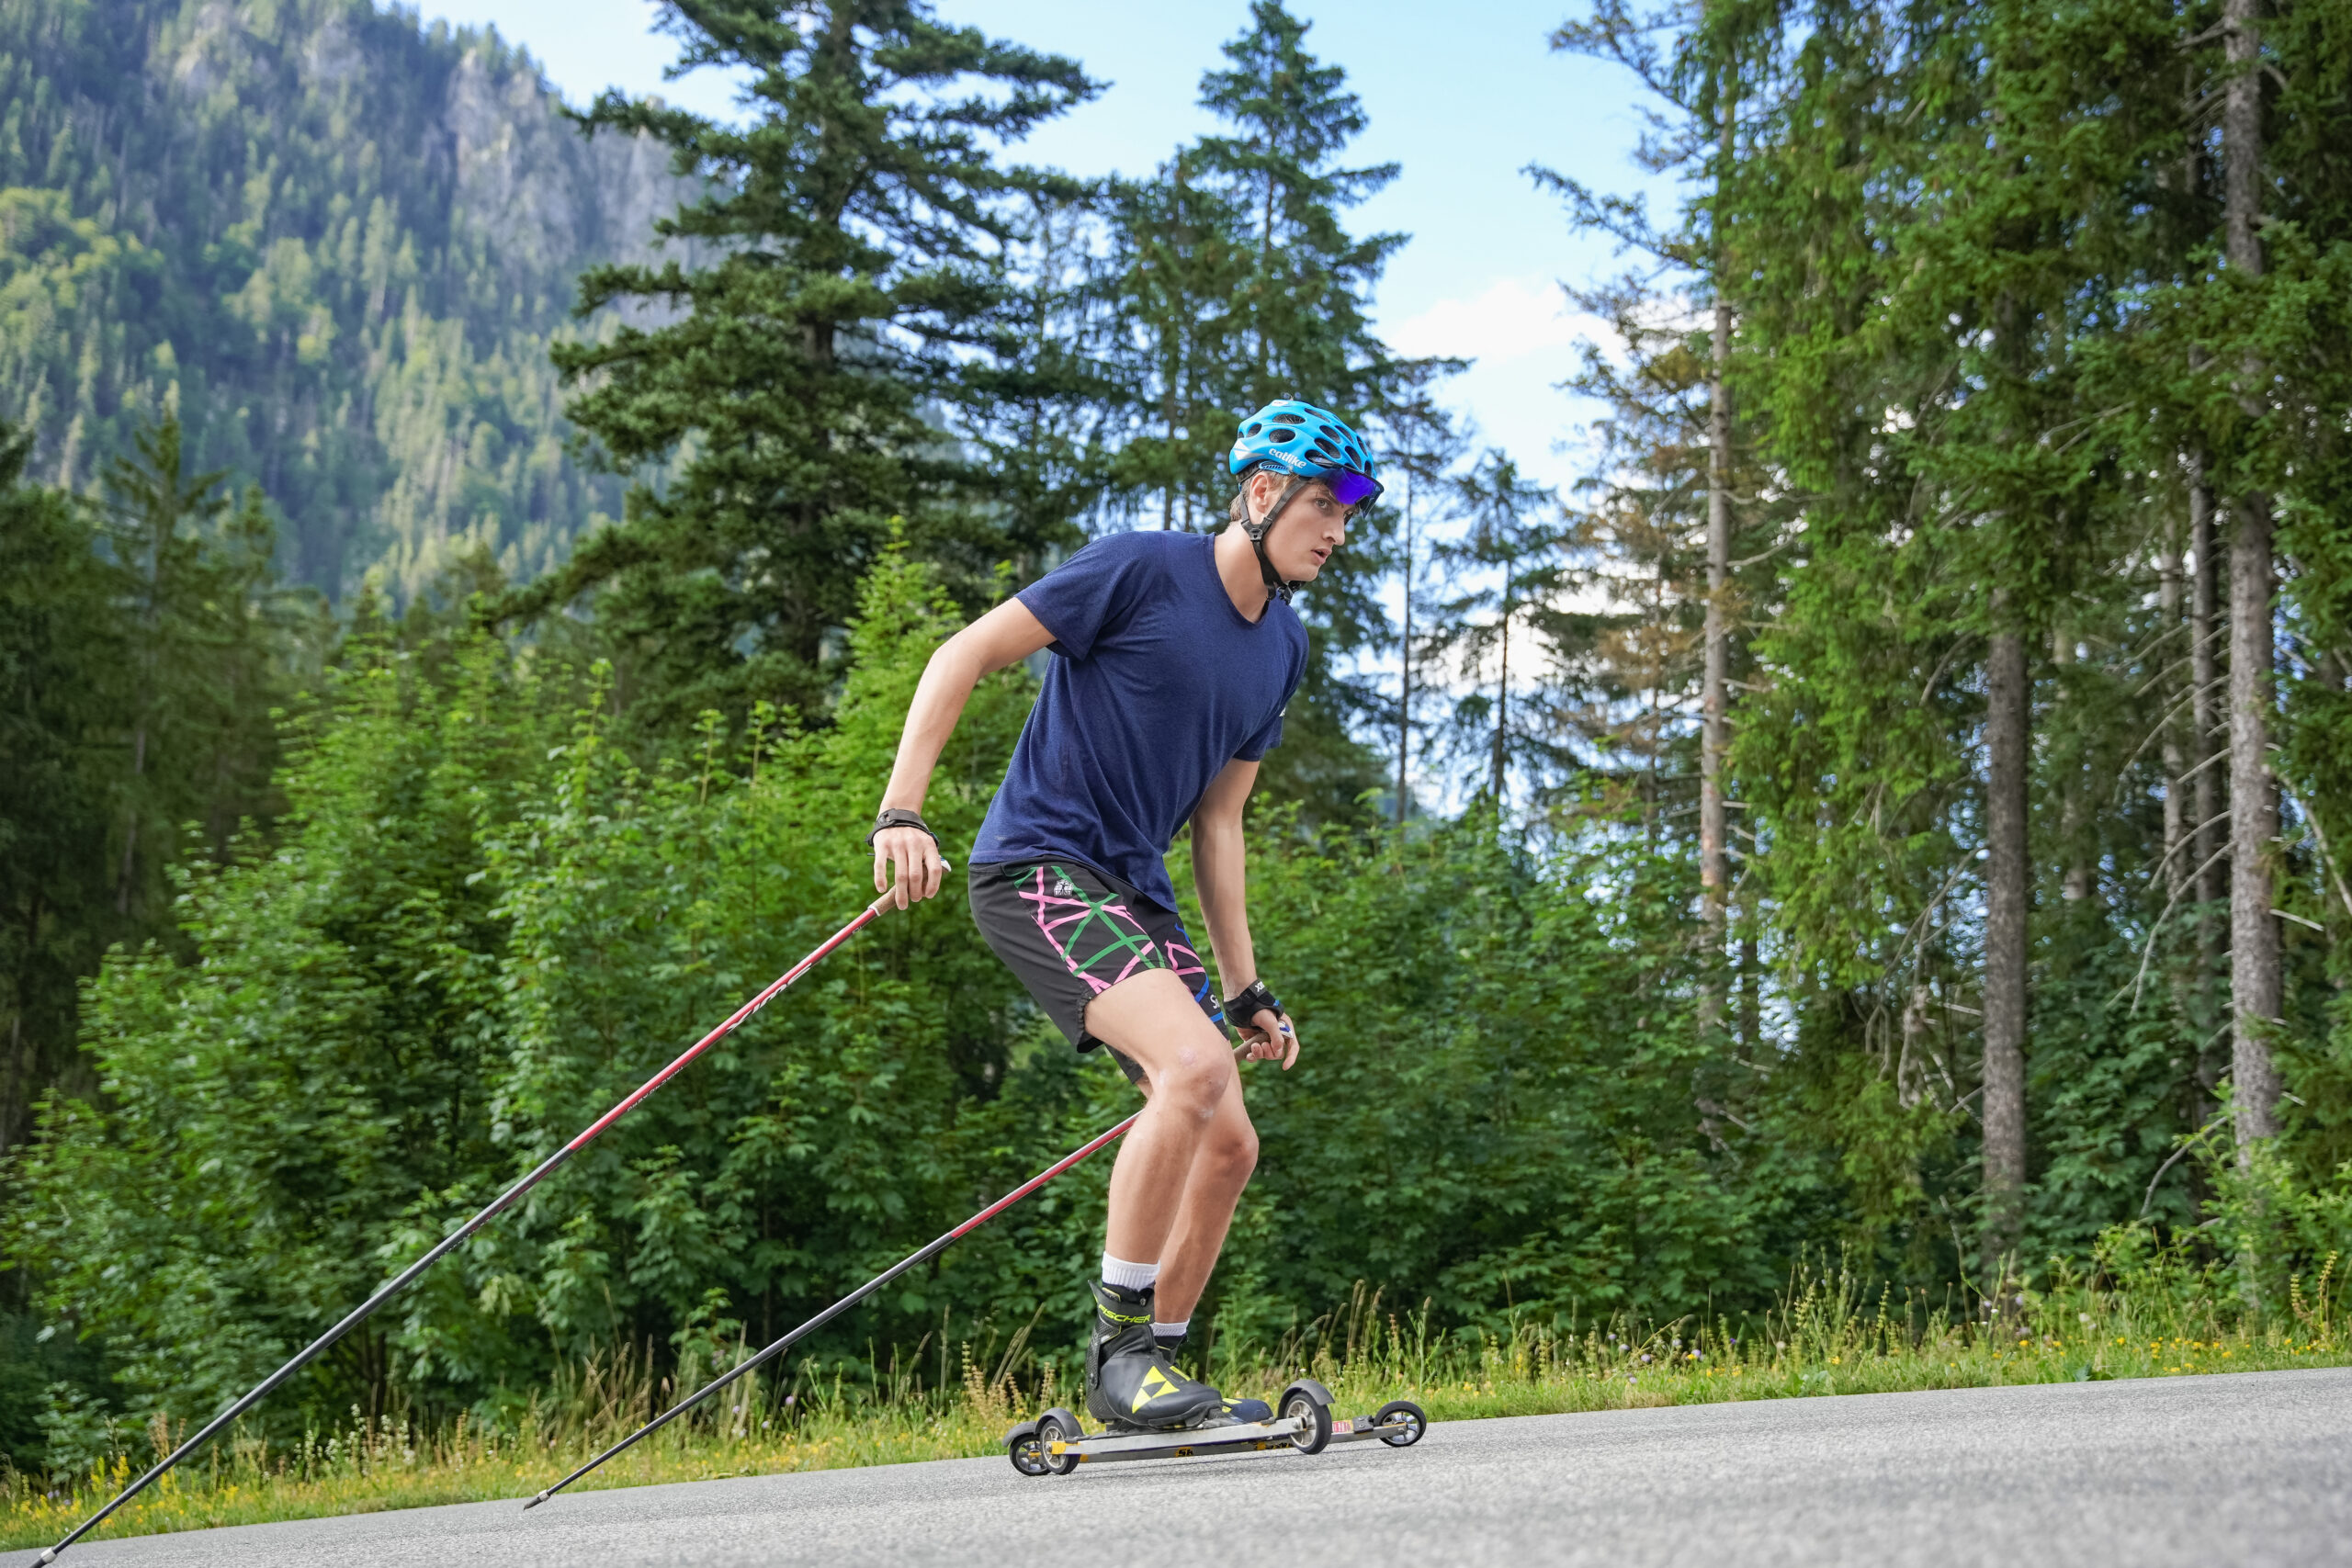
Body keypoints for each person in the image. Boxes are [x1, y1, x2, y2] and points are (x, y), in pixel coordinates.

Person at [865, 399, 1382, 1430]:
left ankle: (1158, 1373)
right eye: (1323, 504)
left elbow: (1219, 825)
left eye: (1349, 513)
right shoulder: (1139, 568)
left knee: (1229, 1142)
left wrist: (1244, 987)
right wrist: (901, 813)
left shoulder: (1283, 648)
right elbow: (961, 653)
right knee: (1190, 1069)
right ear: (1262, 492)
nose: (1337, 530)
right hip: (1037, 866)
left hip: (1134, 894)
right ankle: (1119, 1354)